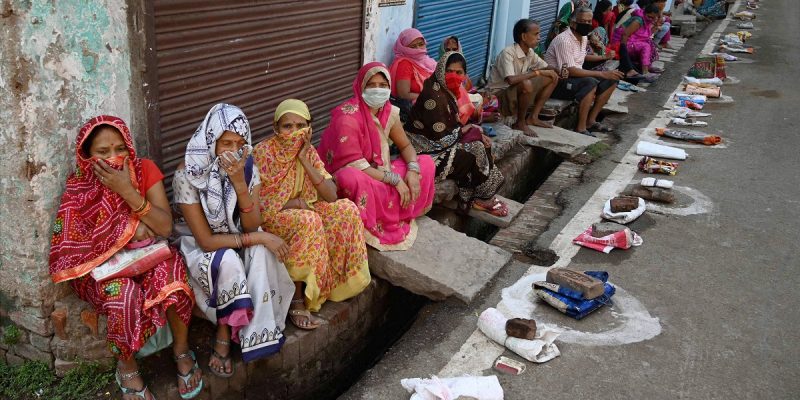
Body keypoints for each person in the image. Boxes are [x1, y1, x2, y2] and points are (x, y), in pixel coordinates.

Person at [49, 116, 200, 400]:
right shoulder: (80, 186)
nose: (113, 158)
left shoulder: (143, 170)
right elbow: (73, 246)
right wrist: (124, 234)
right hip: (104, 270)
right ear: (87, 156)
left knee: (173, 276)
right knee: (123, 295)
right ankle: (127, 367)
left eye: (120, 149)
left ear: (129, 148)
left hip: (146, 257)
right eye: (102, 152)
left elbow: (165, 227)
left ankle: (181, 349)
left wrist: (129, 193)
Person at [173, 104, 295, 375]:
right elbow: (205, 241)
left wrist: (239, 183)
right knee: (228, 259)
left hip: (238, 235)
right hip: (198, 247)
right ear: (210, 140)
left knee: (263, 253)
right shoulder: (187, 173)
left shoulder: (248, 166)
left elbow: (252, 221)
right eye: (225, 142)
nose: (232, 150)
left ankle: (256, 334)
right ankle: (224, 331)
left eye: (240, 143)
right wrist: (260, 236)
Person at [252, 99, 370, 330]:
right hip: (272, 218)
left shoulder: (308, 152)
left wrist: (305, 161)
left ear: (309, 129)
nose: (294, 132)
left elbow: (331, 196)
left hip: (304, 208)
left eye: (300, 125)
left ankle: (333, 284)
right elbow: (260, 206)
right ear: (276, 128)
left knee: (346, 210)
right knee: (309, 220)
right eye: (287, 126)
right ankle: (298, 299)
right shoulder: (263, 153)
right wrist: (294, 202)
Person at [317, 62, 436, 251]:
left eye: (383, 85)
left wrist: (412, 170)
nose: (377, 90)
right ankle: (374, 220)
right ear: (361, 86)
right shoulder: (347, 117)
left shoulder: (389, 113)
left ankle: (399, 211)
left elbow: (405, 146)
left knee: (426, 163)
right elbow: (355, 166)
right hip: (361, 176)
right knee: (350, 177)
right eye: (371, 85)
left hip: (381, 172)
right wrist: (395, 180)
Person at [406, 51, 508, 216]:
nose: (454, 76)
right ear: (440, 71)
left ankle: (478, 196)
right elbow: (441, 138)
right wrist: (467, 131)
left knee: (480, 143)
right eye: (449, 71)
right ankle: (482, 199)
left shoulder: (447, 91)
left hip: (442, 143)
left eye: (459, 72)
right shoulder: (432, 95)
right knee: (475, 151)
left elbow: (451, 125)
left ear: (464, 75)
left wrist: (472, 131)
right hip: (427, 151)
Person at [545, 7, 623, 137]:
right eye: (583, 21)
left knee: (612, 79)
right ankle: (580, 128)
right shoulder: (564, 40)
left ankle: (590, 121)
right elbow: (570, 71)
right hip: (557, 81)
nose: (587, 25)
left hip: (574, 76)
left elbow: (581, 57)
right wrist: (601, 74)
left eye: (589, 22)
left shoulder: (583, 37)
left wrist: (604, 57)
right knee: (590, 82)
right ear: (573, 23)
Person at [487, 19, 559, 137]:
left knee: (552, 77)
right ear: (524, 37)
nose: (539, 38)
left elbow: (546, 67)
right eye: (536, 34)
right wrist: (537, 73)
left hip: (512, 94)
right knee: (526, 84)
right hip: (498, 98)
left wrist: (559, 70)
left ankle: (533, 117)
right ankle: (520, 123)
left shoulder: (530, 52)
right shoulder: (508, 53)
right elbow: (511, 80)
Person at [389, 28, 437, 105]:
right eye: (413, 46)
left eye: (421, 44)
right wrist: (429, 98)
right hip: (417, 108)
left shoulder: (427, 61)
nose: (418, 49)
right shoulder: (404, 65)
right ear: (404, 48)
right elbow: (403, 94)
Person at [611, 4, 662, 76]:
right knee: (646, 46)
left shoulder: (647, 20)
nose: (651, 19)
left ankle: (647, 66)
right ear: (645, 13)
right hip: (620, 42)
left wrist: (656, 25)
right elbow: (625, 35)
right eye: (650, 17)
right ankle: (645, 71)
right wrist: (623, 51)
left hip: (631, 40)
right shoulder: (638, 20)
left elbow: (647, 35)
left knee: (649, 42)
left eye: (654, 18)